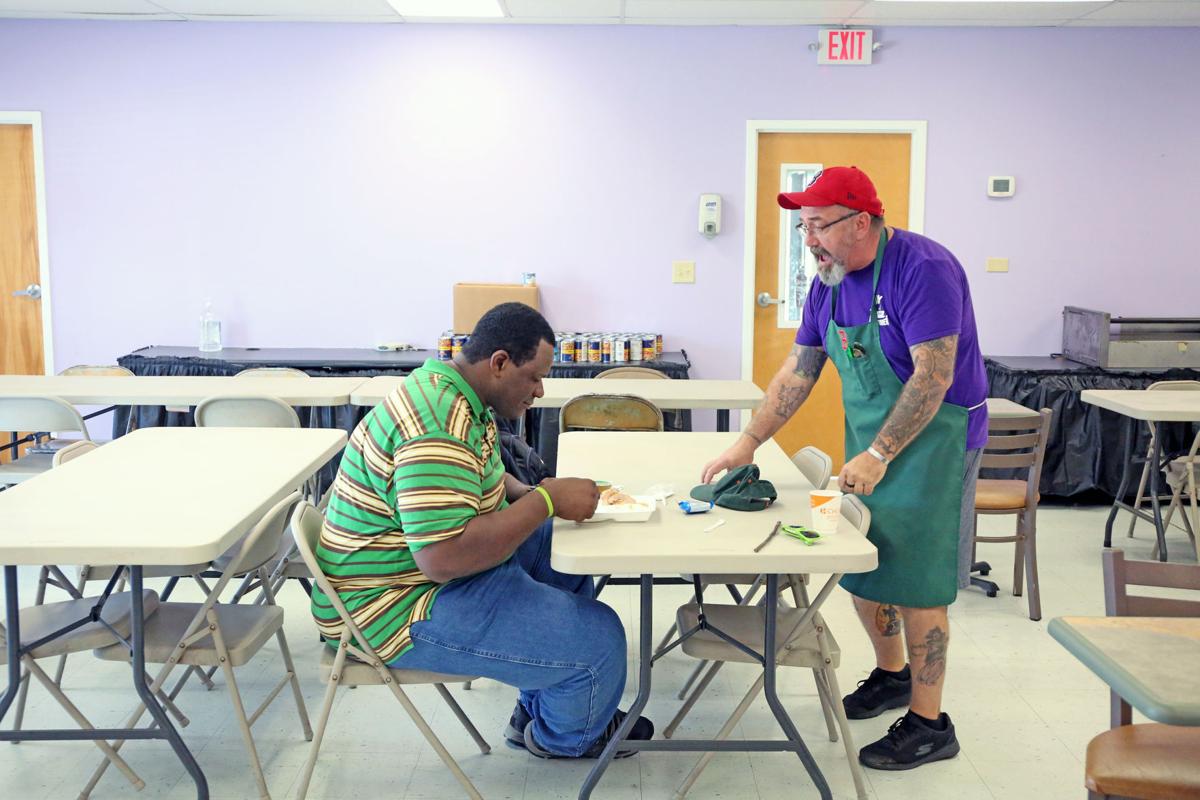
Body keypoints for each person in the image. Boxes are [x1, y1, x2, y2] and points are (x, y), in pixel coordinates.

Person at [701, 166, 986, 771]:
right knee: (864, 566)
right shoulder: (828, 283)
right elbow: (800, 372)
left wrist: (881, 454)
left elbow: (932, 378)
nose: (809, 240)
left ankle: (931, 724)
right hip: (872, 444)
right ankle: (893, 677)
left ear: (862, 222)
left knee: (920, 582)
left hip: (936, 441)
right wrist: (746, 442)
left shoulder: (922, 268)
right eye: (803, 226)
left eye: (818, 225)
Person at [311, 301, 653, 759]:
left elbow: (482, 478)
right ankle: (562, 737)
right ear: (498, 363)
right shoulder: (438, 424)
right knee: (601, 640)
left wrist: (537, 492)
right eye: (533, 377)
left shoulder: (451, 390)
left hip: (415, 576)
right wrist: (546, 500)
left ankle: (543, 705)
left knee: (562, 551)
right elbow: (444, 559)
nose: (539, 390)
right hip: (393, 606)